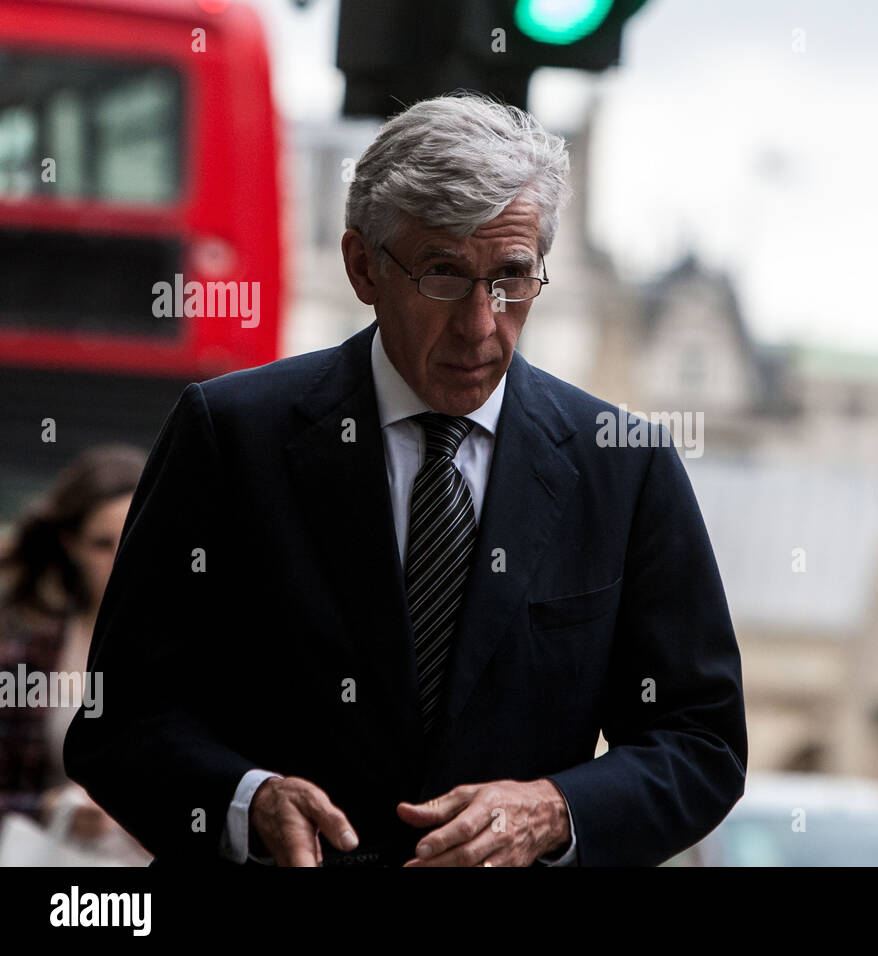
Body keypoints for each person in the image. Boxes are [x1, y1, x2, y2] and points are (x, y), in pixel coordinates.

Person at [63, 92, 746, 867]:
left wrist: (555, 810)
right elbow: (119, 725)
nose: (482, 325)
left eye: (513, 278)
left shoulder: (624, 464)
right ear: (363, 267)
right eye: (445, 276)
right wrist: (246, 799)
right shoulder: (230, 436)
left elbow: (700, 742)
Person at [0, 445, 150, 865]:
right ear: (72, 545)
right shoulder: (31, 655)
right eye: (103, 544)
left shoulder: (204, 648)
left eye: (134, 537)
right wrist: (49, 807)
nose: (120, 560)